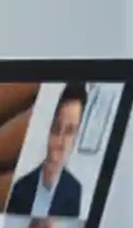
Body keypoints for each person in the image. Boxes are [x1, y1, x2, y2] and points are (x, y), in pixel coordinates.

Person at [6, 82, 87, 217]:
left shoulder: (74, 190)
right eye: (56, 128)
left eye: (69, 131)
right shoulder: (20, 188)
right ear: (49, 129)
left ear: (76, 137)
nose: (60, 141)